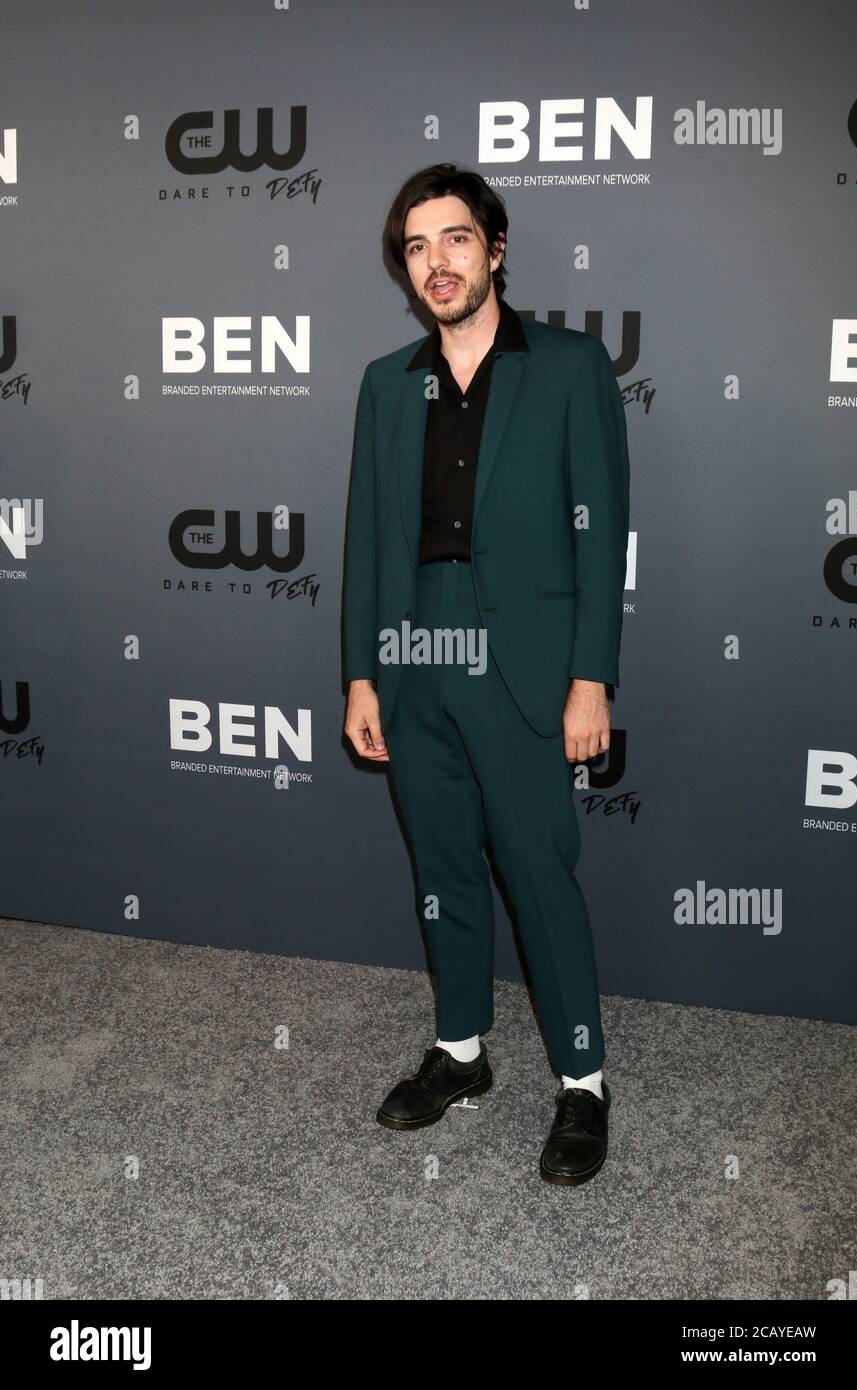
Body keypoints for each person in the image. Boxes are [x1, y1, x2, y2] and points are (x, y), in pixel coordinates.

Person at [341, 162, 630, 1185]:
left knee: (537, 875)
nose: (436, 263)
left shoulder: (566, 365)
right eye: (416, 247)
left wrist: (590, 677)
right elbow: (368, 540)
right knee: (444, 867)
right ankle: (460, 1050)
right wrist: (364, 675)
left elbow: (601, 539)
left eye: (454, 239)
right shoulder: (386, 382)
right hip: (415, 653)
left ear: (493, 249)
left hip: (523, 658)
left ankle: (582, 1083)